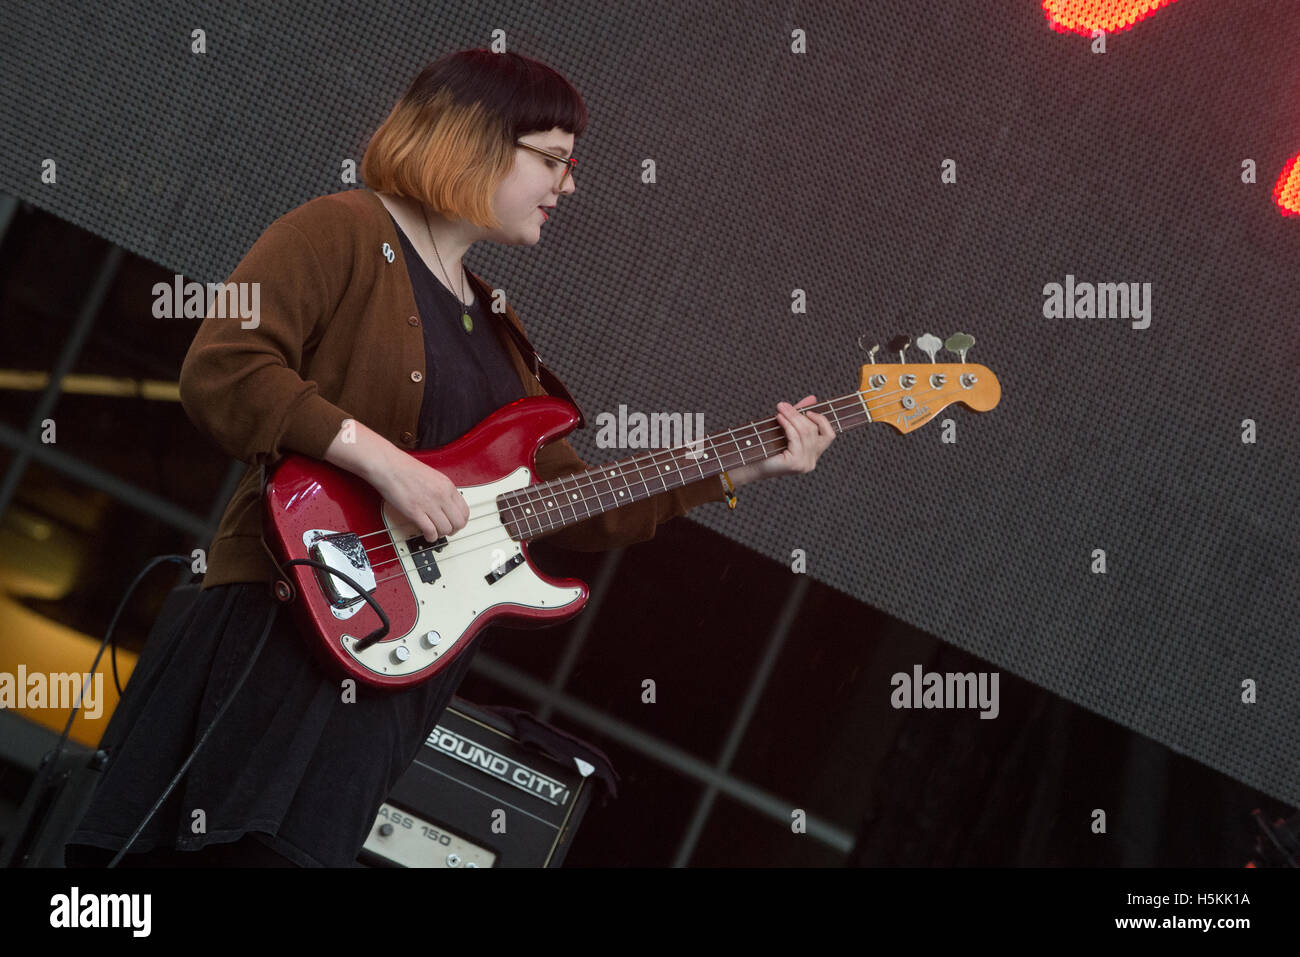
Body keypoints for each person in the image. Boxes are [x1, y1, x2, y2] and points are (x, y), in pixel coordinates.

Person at [64, 48, 834, 868]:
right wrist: (386, 463)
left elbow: (579, 502)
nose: (567, 186)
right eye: (551, 160)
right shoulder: (345, 229)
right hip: (277, 624)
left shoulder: (501, 332)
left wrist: (737, 468)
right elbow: (224, 368)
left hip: (389, 680)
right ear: (473, 139)